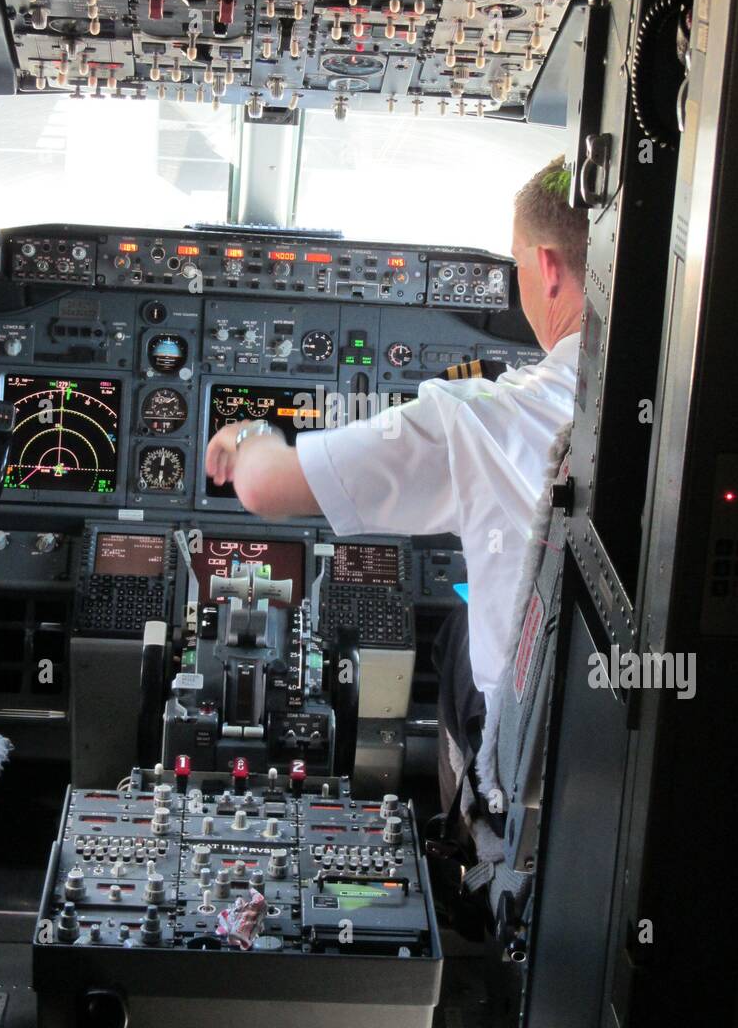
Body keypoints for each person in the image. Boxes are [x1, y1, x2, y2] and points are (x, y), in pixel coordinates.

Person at [204, 155, 589, 773]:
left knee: (455, 635)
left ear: (546, 267)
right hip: (608, 738)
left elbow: (263, 487)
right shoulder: (685, 406)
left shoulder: (480, 417)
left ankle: (474, 824)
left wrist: (250, 432)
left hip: (534, 757)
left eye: (515, 262)